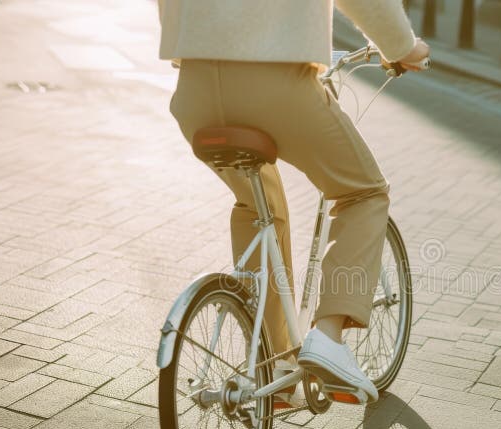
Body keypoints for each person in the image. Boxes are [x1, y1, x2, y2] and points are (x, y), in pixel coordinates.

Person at [158, 1, 429, 405]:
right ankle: (328, 336)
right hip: (274, 82)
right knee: (363, 192)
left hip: (194, 90)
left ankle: (276, 368)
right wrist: (402, 46)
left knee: (258, 207)